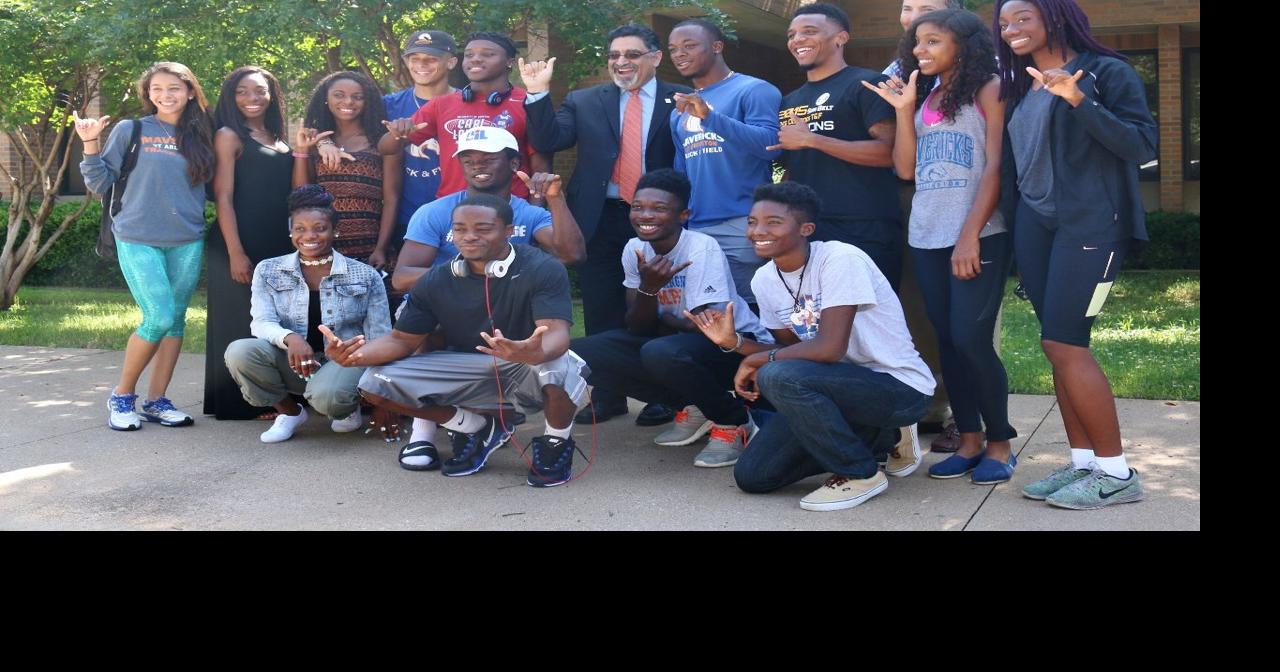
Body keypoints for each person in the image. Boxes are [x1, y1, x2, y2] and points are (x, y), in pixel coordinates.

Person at [994, 0, 1156, 509]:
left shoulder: (1106, 71)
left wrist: (1078, 99)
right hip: (1036, 225)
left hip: (1090, 225)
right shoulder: (1020, 87)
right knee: (1056, 345)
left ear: (1054, 16)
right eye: (1004, 22)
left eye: (1022, 17)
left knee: (1066, 344)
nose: (1011, 28)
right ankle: (1085, 464)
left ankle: (1117, 474)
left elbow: (1141, 146)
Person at [688, 182, 934, 512]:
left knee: (777, 375)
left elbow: (828, 349)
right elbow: (791, 348)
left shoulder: (840, 259)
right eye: (752, 222)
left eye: (774, 222)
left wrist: (761, 361)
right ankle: (881, 437)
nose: (758, 231)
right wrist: (734, 344)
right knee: (754, 476)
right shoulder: (765, 279)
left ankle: (860, 473)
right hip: (835, 389)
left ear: (806, 229)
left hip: (897, 388)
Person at [327, 194, 590, 488]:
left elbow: (555, 333)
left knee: (559, 364)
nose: (469, 236)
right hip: (468, 366)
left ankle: (556, 442)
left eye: (483, 228)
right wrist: (356, 355)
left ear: (508, 231)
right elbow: (402, 340)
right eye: (460, 229)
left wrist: (534, 352)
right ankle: (475, 427)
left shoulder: (542, 268)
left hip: (528, 364)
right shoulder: (437, 279)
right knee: (374, 382)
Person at [864, 8, 1018, 483]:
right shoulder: (926, 95)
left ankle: (999, 444)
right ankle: (969, 439)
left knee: (971, 339)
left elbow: (995, 166)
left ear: (963, 45)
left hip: (978, 233)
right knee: (948, 341)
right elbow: (905, 169)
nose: (920, 50)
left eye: (932, 41)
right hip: (927, 233)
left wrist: (970, 234)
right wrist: (903, 110)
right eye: (917, 42)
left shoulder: (988, 88)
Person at [519, 23, 691, 426]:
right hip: (599, 216)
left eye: (631, 54)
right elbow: (548, 140)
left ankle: (663, 395)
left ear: (655, 57)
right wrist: (537, 93)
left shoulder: (681, 99)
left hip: (657, 219)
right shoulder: (584, 100)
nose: (621, 62)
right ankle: (608, 394)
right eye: (614, 55)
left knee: (661, 304)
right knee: (601, 307)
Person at [571, 170, 771, 468]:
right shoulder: (634, 249)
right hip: (676, 345)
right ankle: (697, 406)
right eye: (638, 207)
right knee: (579, 354)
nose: (645, 215)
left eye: (659, 208)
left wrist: (659, 317)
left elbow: (703, 325)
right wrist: (649, 289)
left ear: (683, 215)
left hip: (735, 346)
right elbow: (637, 326)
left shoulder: (700, 247)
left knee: (660, 351)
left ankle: (734, 421)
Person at [76, 62, 215, 431]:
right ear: (148, 94)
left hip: (186, 239)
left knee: (176, 320)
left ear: (190, 92)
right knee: (159, 317)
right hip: (137, 237)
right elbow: (100, 182)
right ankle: (122, 396)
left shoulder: (203, 134)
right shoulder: (132, 129)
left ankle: (157, 401)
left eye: (174, 88)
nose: (165, 95)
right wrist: (90, 142)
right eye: (157, 89)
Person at [224, 185, 393, 443]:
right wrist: (291, 338)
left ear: (335, 230)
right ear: (291, 230)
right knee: (240, 352)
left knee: (330, 399)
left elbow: (381, 337)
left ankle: (346, 407)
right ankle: (290, 413)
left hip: (345, 363)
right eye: (300, 228)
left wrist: (384, 403)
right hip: (294, 362)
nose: (309, 236)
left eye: (320, 228)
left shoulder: (365, 275)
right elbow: (261, 322)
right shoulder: (268, 270)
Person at [772, 3, 904, 291]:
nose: (797, 40)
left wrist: (813, 139)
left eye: (809, 31)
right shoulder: (789, 100)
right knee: (815, 315)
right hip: (808, 229)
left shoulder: (868, 84)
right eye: (792, 35)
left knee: (868, 315)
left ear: (841, 38)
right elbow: (793, 167)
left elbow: (889, 153)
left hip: (865, 226)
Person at [667, 18, 781, 306]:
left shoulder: (754, 90)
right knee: (707, 313)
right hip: (696, 228)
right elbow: (682, 173)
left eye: (689, 45)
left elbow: (770, 145)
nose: (680, 54)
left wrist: (710, 117)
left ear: (717, 47)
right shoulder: (679, 109)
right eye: (673, 49)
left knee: (754, 313)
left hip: (742, 223)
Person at [205, 65, 295, 421]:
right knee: (239, 321)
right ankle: (241, 402)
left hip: (277, 241)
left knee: (272, 320)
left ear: (272, 95)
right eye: (242, 91)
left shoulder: (277, 136)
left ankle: (279, 394)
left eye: (259, 90)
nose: (251, 98)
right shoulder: (229, 135)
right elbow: (223, 197)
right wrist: (236, 252)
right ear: (231, 97)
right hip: (239, 241)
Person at [381, 31, 549, 204]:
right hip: (453, 209)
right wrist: (397, 134)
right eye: (469, 55)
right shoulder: (442, 104)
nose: (475, 59)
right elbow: (386, 148)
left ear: (509, 61)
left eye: (487, 54)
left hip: (510, 208)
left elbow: (541, 167)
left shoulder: (528, 103)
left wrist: (534, 214)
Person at [293, 71, 400, 272]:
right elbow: (302, 194)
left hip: (369, 244)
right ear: (326, 98)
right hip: (321, 244)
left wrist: (381, 248)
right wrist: (302, 150)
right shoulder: (317, 140)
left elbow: (391, 199)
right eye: (339, 95)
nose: (349, 102)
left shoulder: (382, 141)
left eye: (357, 97)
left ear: (367, 102)